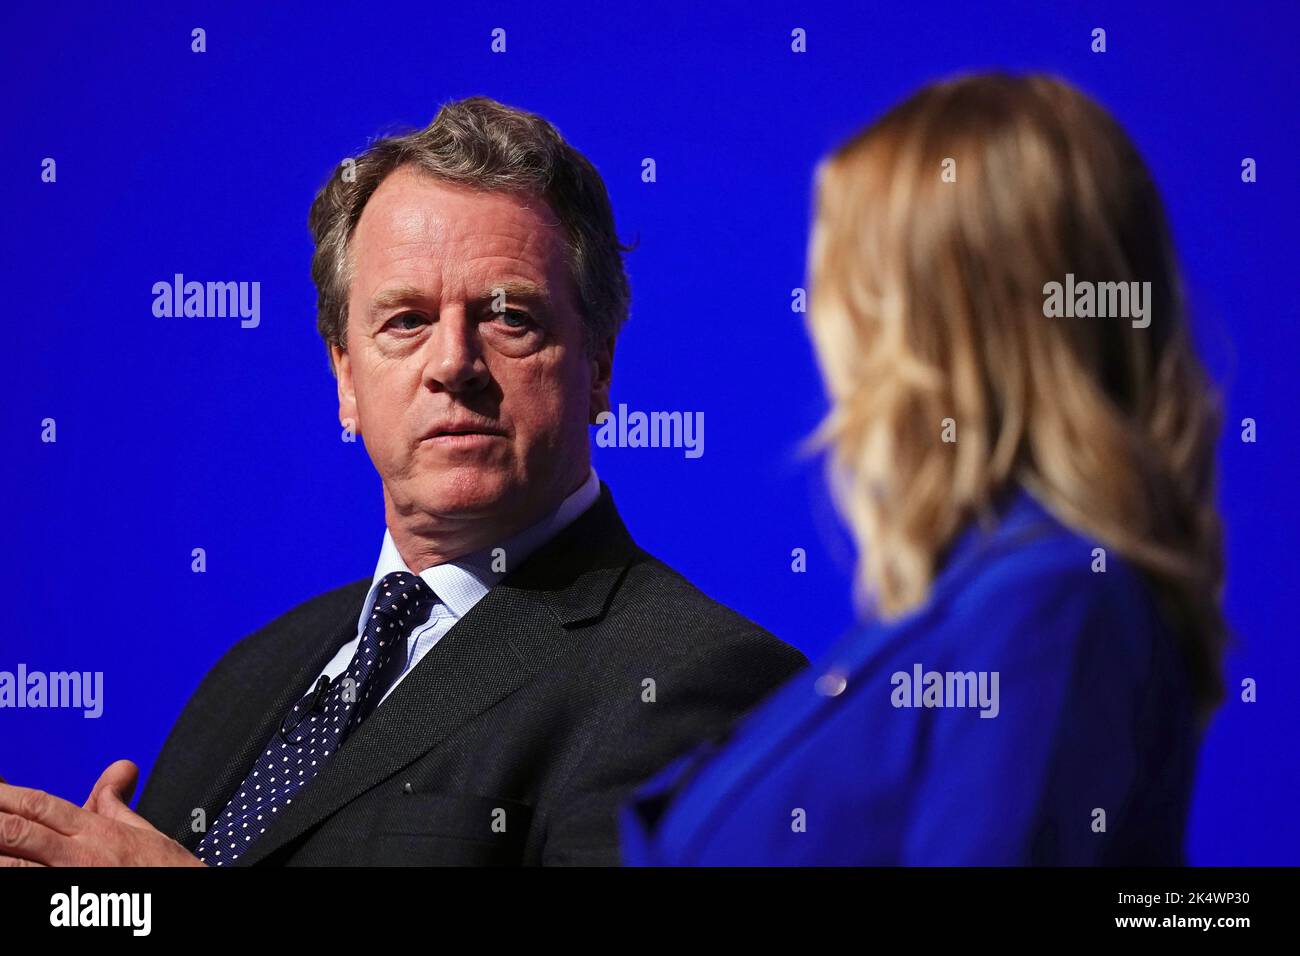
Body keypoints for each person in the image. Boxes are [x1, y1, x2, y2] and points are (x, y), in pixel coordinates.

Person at [0, 97, 805, 867]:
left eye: (509, 317)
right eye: (407, 320)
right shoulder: (247, 677)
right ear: (346, 378)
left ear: (598, 367)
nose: (454, 363)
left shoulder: (702, 684)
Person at [620, 73, 1227, 866]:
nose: (831, 346)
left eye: (845, 291)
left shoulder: (1053, 605)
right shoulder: (990, 601)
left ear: (927, 329)